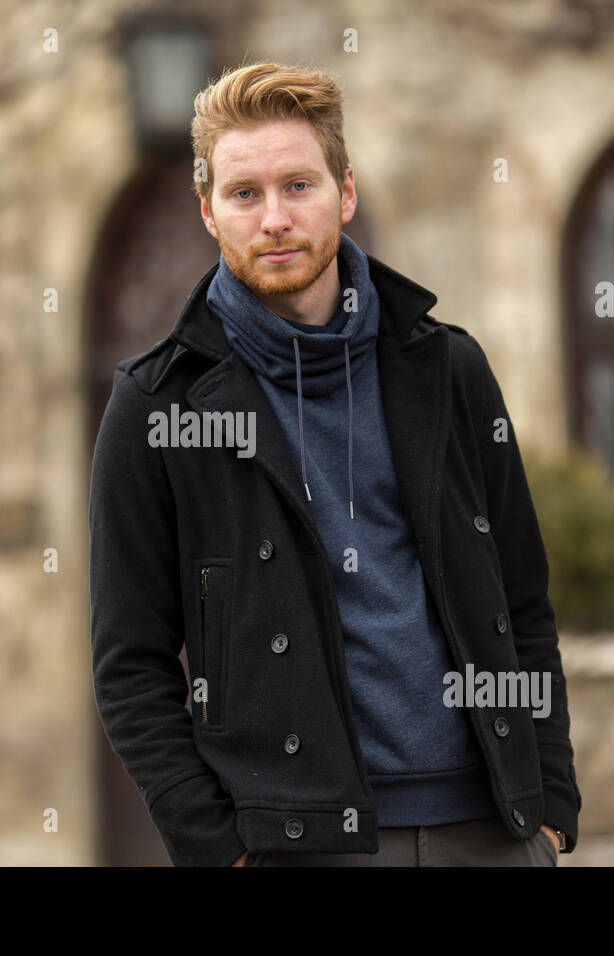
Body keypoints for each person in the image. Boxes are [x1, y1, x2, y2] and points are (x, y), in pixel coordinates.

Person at [89, 62, 581, 866]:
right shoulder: (156, 407)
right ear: (208, 211)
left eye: (299, 186)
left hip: (494, 829)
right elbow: (129, 668)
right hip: (299, 846)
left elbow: (522, 599)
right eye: (245, 193)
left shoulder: (448, 370)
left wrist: (550, 803)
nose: (274, 217)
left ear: (345, 194)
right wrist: (220, 849)